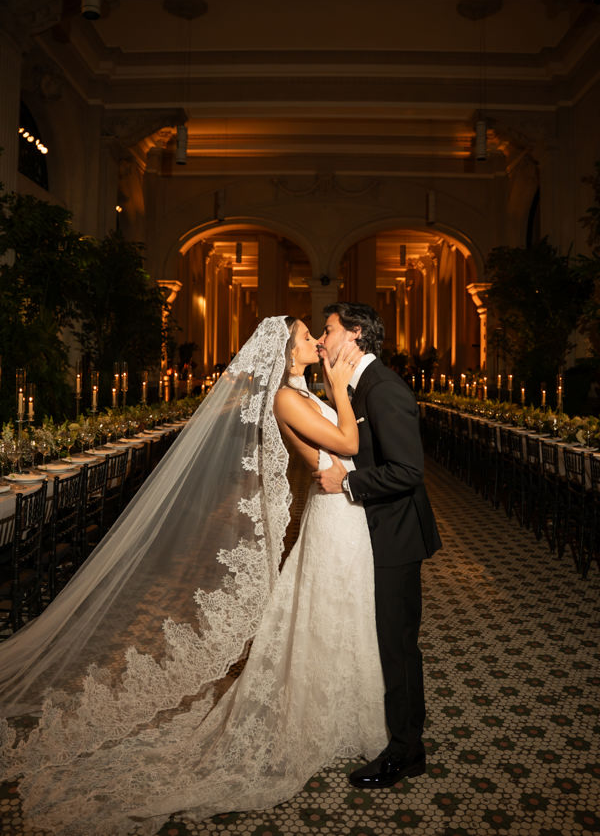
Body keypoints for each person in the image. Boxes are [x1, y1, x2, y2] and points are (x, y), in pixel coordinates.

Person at [0, 316, 388, 836]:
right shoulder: (285, 399)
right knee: (329, 606)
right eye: (305, 337)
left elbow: (336, 448)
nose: (317, 341)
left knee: (340, 610)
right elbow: (347, 443)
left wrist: (338, 400)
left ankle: (345, 711)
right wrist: (341, 390)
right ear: (283, 351)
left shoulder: (300, 389)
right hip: (334, 512)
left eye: (316, 333)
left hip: (340, 509)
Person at [314, 302, 441, 789]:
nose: (323, 340)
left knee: (397, 645)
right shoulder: (357, 385)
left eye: (328, 330)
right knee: (379, 639)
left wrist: (346, 484)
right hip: (371, 533)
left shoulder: (383, 388)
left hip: (395, 536)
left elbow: (409, 471)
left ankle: (408, 750)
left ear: (357, 334)